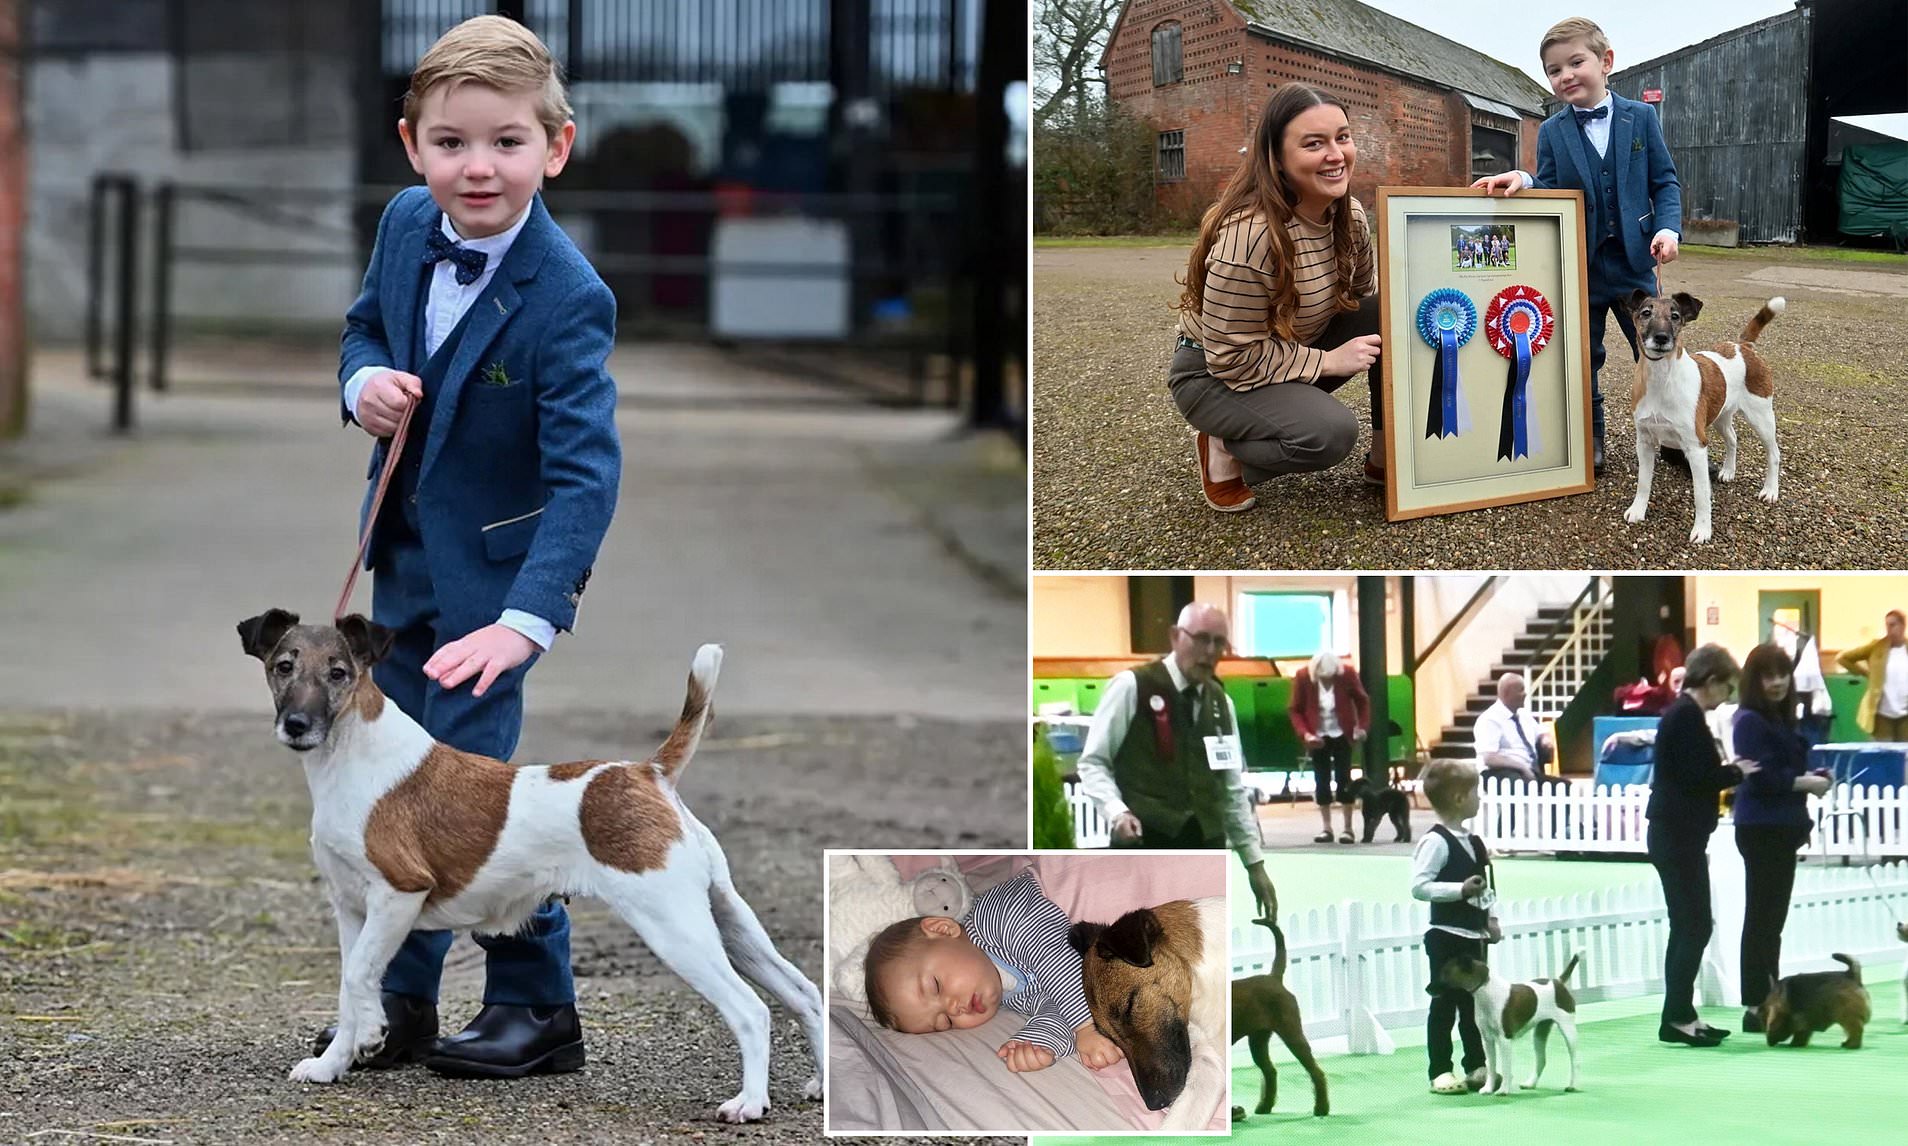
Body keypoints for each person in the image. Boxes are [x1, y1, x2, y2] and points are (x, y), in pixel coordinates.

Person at [330, 15, 621, 1077]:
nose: (478, 167)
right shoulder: (407, 225)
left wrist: (525, 619)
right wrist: (363, 385)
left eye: (505, 142)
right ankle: (394, 1010)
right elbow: (363, 327)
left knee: (475, 799)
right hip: (397, 577)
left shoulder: (570, 296)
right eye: (452, 143)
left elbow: (587, 476)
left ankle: (539, 1011)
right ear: (413, 147)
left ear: (556, 146)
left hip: (494, 600)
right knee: (381, 794)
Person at [1475, 17, 1682, 474]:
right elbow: (1550, 184)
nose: (1565, 75)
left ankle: (1674, 434)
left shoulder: (1641, 117)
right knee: (1581, 355)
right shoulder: (1551, 130)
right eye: (1554, 70)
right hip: (1580, 266)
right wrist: (1525, 179)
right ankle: (1591, 434)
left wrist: (1668, 230)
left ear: (1606, 62)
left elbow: (1664, 182)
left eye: (1575, 62)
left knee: (1658, 348)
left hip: (1634, 267)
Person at [1169, 82, 1384, 515]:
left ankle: (1383, 457)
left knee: (1389, 312)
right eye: (1314, 144)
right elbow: (1230, 357)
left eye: (1342, 137)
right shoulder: (1250, 239)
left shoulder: (1352, 215)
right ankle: (1225, 450)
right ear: (1277, 159)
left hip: (1286, 346)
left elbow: (1366, 304)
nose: (1336, 154)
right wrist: (1328, 362)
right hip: (1213, 373)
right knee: (1329, 435)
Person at [1075, 603, 1280, 918]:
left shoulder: (1221, 703)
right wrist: (1118, 812)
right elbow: (1093, 763)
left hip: (1206, 848)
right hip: (1146, 844)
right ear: (1175, 637)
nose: (1209, 651)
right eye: (1200, 639)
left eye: (1218, 642)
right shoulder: (1132, 686)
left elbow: (1231, 789)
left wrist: (1254, 864)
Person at [863, 868, 1123, 1072]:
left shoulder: (996, 917)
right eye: (945, 1022)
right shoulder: (1010, 995)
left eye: (936, 986)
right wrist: (1037, 1042)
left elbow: (1060, 962)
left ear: (943, 930)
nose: (955, 1009)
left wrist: (1086, 1026)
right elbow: (1055, 1006)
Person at [1644, 644, 1760, 1047]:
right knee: (1692, 925)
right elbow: (1697, 776)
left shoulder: (1684, 715)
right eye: (1727, 687)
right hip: (1676, 835)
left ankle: (1681, 1013)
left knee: (1690, 925)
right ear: (1711, 681)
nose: (1728, 696)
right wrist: (1735, 772)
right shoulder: (1686, 717)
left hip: (1678, 834)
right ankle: (1676, 1016)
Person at [1732, 643, 1832, 1032]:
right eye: (1768, 675)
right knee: (1761, 919)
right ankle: (1756, 1004)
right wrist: (1805, 783)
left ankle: (1769, 1001)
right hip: (1761, 828)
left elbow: (1785, 767)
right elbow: (1762, 779)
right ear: (1754, 680)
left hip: (1782, 827)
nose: (1776, 682)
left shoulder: (1780, 719)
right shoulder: (1749, 721)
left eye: (1782, 674)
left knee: (1772, 921)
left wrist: (1815, 775)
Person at [1410, 759, 1500, 1095]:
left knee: (1476, 1005)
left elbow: (1487, 886)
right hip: (1446, 937)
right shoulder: (1435, 842)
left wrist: (1491, 919)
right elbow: (1419, 886)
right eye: (1476, 791)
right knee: (1445, 1004)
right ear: (1460, 798)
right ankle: (1440, 1069)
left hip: (1475, 938)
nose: (1480, 797)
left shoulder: (1475, 842)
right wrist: (1458, 890)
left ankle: (1477, 1064)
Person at [1287, 650, 1371, 843]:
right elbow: (1295, 709)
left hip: (1342, 733)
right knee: (1321, 779)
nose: (1326, 679)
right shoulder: (1303, 677)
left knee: (1344, 779)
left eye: (1330, 677)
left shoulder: (1347, 674)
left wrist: (1361, 727)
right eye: (1322, 677)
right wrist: (1305, 734)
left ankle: (1348, 829)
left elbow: (1362, 701)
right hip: (1317, 736)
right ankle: (1327, 828)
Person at [1472, 672, 1570, 789]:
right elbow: (1489, 757)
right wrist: (1521, 767)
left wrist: (1545, 739)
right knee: (1517, 783)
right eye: (1521, 690)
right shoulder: (1490, 719)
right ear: (1506, 693)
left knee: (1564, 786)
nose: (1525, 694)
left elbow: (1541, 732)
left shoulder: (1524, 715)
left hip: (1528, 771)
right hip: (1500, 773)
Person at [1836, 609, 1908, 741]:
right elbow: (1842, 658)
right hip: (1881, 714)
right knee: (1882, 754)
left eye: (1893, 625)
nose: (1889, 629)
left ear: (1903, 626)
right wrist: (1866, 674)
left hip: (1905, 715)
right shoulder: (1876, 646)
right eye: (1887, 625)